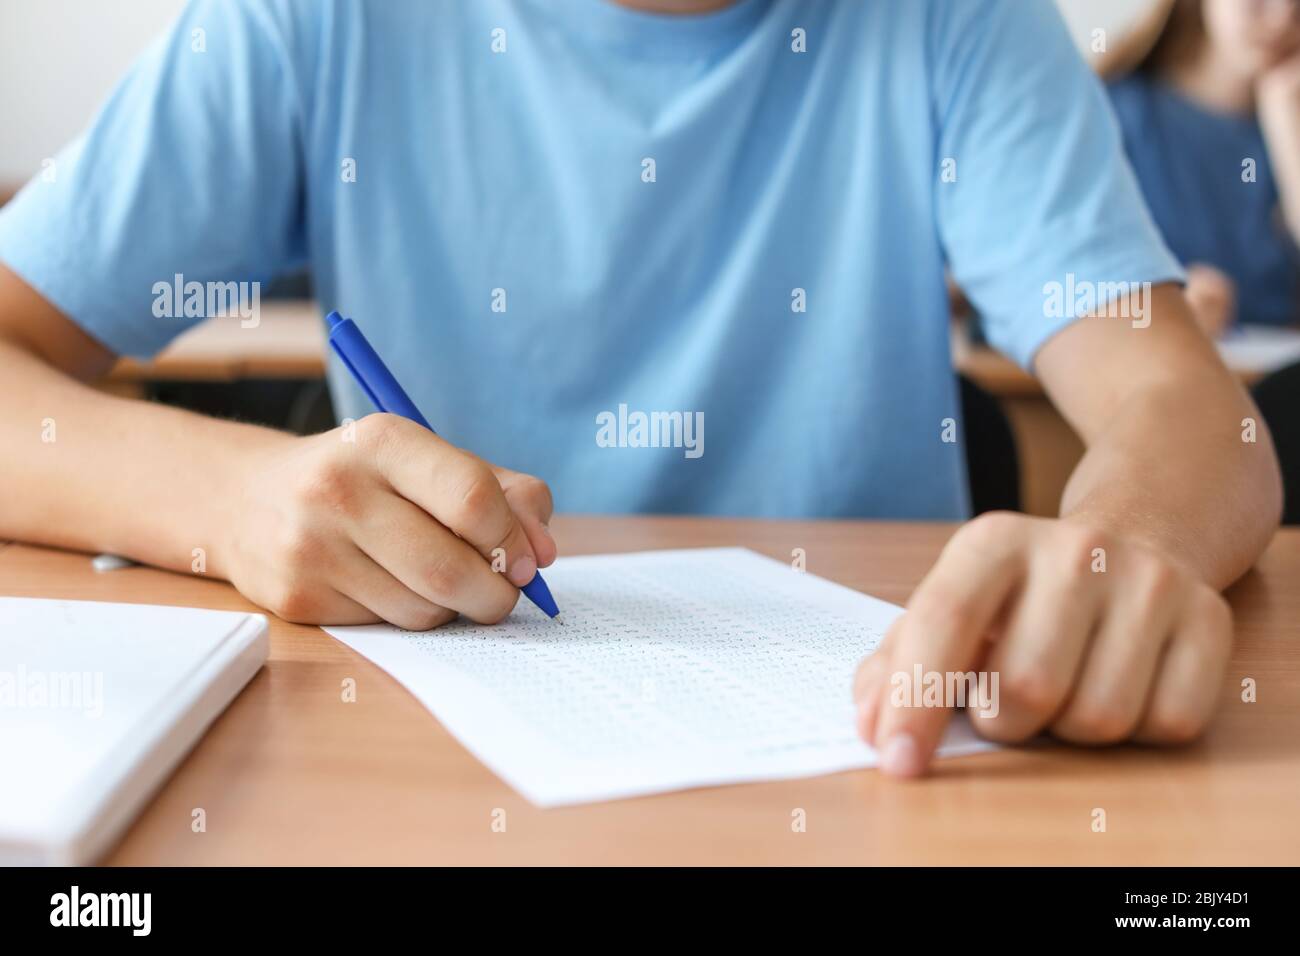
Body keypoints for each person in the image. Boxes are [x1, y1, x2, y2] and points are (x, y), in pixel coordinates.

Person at [0, 0, 1282, 776]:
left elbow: (1187, 406)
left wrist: (1125, 553)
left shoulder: (955, 21)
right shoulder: (309, 22)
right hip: (418, 767)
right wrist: (231, 499)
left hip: (881, 767)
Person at [1103, 0, 1300, 336]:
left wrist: (1287, 123)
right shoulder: (1117, 117)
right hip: (1159, 369)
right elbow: (1051, 290)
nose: (1283, 18)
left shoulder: (1288, 126)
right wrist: (1159, 308)